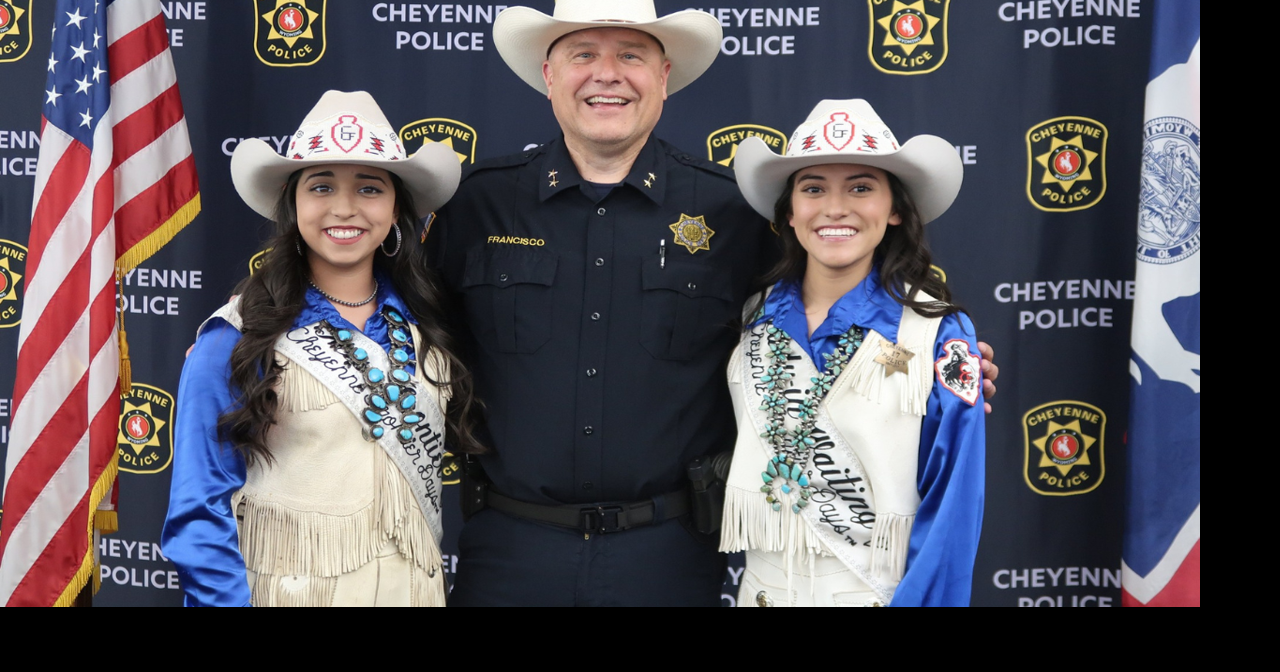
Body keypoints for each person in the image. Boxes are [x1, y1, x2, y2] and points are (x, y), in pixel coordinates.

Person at [430, 1, 996, 606]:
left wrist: (937, 362)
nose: (607, 74)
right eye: (583, 54)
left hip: (667, 558)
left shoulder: (731, 214)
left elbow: (824, 309)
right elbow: (406, 334)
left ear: (664, 76)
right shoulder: (475, 207)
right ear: (549, 75)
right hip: (510, 553)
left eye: (631, 55)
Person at [162, 91, 481, 607]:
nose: (345, 208)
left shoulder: (429, 322)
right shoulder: (237, 336)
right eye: (322, 185)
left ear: (396, 207)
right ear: (293, 203)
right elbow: (199, 510)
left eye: (370, 188)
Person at [720, 99, 984, 607]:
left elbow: (953, 506)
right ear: (790, 213)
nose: (835, 208)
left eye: (861, 187)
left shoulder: (940, 333)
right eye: (813, 188)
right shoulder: (752, 317)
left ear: (895, 210)